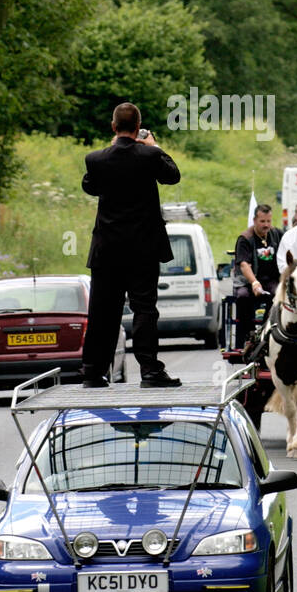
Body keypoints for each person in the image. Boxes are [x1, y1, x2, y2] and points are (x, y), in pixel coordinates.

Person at [80, 101, 182, 388]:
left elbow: (90, 187)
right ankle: (149, 370)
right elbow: (172, 176)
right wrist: (154, 146)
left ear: (114, 127)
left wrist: (112, 149)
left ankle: (93, 371)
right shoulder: (150, 155)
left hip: (107, 250)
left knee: (102, 312)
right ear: (138, 128)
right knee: (144, 309)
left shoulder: (96, 159)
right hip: (143, 249)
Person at [233, 203, 283, 347]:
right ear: (255, 220)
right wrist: (254, 283)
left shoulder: (277, 234)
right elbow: (244, 264)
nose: (266, 225)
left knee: (278, 295)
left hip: (271, 280)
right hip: (248, 281)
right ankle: (247, 335)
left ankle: (267, 330)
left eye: (268, 221)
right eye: (262, 221)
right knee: (243, 297)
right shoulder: (245, 238)